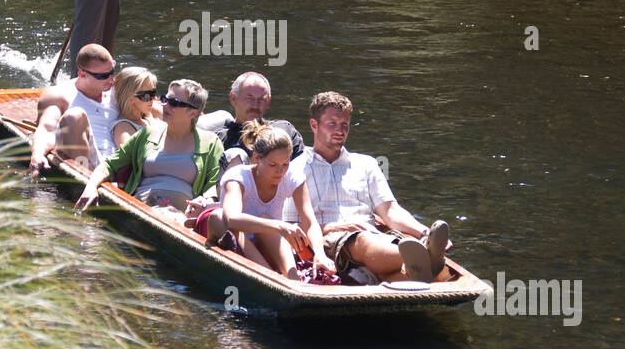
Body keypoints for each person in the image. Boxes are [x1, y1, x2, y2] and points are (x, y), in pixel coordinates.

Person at [282, 91, 453, 284]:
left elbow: (390, 211)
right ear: (314, 125)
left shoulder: (366, 164)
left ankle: (424, 259)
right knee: (362, 240)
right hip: (327, 241)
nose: (340, 130)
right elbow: (288, 227)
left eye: (344, 125)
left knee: (426, 274)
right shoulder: (293, 169)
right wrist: (331, 227)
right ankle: (427, 258)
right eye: (332, 124)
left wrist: (424, 232)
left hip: (377, 241)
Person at [193, 121, 334, 281]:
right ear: (257, 158)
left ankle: (293, 280)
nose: (280, 171)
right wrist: (280, 226)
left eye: (285, 164)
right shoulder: (237, 176)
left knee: (267, 219)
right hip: (232, 237)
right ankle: (270, 278)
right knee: (219, 216)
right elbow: (231, 219)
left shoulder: (292, 176)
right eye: (273, 165)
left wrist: (320, 255)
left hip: (266, 244)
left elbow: (310, 221)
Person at [75, 79, 222, 223]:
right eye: (165, 99)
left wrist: (205, 202)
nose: (165, 105)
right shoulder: (148, 134)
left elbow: (213, 186)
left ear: (193, 113)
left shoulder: (210, 143)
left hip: (183, 216)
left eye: (174, 102)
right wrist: (90, 187)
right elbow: (109, 165)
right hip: (143, 209)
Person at [29, 43, 117, 175]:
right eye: (103, 76)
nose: (111, 79)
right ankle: (84, 179)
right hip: (87, 162)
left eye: (112, 72)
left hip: (119, 159)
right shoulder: (59, 95)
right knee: (74, 116)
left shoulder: (118, 92)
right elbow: (47, 129)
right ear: (82, 74)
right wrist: (37, 154)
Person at [197, 71, 305, 166]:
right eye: (249, 98)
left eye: (262, 99)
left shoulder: (284, 130)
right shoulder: (219, 140)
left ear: (268, 102)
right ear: (233, 98)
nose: (255, 105)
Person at [110, 66, 162, 148]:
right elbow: (131, 158)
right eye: (147, 95)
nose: (153, 99)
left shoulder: (150, 113)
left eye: (153, 93)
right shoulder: (123, 128)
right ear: (130, 98)